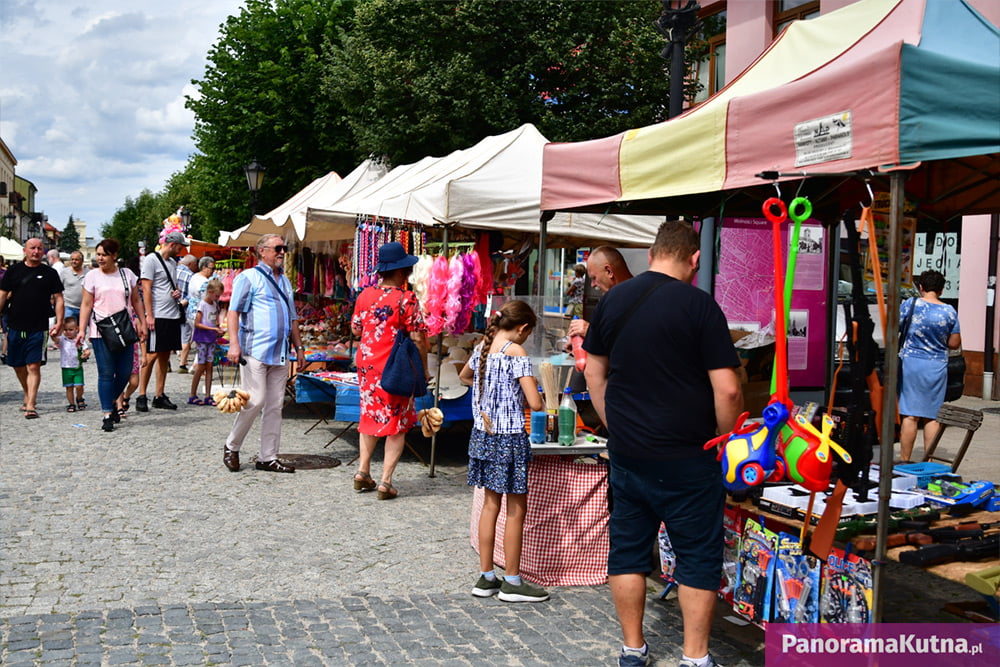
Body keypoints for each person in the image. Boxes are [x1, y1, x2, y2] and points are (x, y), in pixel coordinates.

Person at [583, 220, 743, 667]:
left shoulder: (613, 299)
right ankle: (695, 657)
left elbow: (594, 372)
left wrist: (615, 425)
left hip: (629, 455)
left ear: (652, 254)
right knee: (696, 556)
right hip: (689, 457)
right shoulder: (701, 307)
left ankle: (633, 649)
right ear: (695, 259)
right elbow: (728, 391)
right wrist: (727, 442)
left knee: (629, 552)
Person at [458, 300, 548, 603]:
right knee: (515, 511)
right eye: (528, 333)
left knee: (490, 507)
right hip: (509, 439)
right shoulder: (517, 353)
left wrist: (488, 402)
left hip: (483, 437)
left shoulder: (483, 346)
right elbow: (535, 404)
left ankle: (486, 577)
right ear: (522, 328)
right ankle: (512, 580)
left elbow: (464, 377)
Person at [350, 241, 428, 499]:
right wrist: (424, 370)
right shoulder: (406, 299)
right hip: (395, 366)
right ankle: (385, 481)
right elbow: (418, 337)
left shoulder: (364, 295)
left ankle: (362, 471)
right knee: (397, 421)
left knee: (369, 416)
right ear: (400, 271)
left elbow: (356, 329)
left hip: (367, 363)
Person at [223, 234, 305, 474]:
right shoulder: (248, 278)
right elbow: (233, 312)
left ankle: (267, 456)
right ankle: (232, 444)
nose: (282, 252)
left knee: (275, 405)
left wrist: (299, 348)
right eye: (277, 248)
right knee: (256, 400)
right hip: (255, 350)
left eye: (284, 248)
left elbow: (293, 318)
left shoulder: (286, 281)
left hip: (280, 352)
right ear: (262, 251)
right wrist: (234, 344)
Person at [76, 238, 147, 433]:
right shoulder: (92, 277)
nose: (100, 258)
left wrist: (142, 321)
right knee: (106, 373)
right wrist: (82, 329)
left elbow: (136, 300)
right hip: (101, 330)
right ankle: (108, 413)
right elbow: (86, 304)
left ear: (114, 256)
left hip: (124, 329)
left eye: (104, 254)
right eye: (98, 254)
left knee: (125, 372)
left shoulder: (127, 275)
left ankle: (114, 400)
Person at [898, 269, 962, 463]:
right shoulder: (949, 311)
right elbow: (954, 343)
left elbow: (894, 328)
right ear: (941, 290)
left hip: (911, 364)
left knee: (910, 415)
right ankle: (929, 464)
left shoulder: (910, 305)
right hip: (936, 366)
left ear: (921, 287)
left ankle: (905, 461)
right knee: (932, 417)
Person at [0, 237, 65, 419]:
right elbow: (3, 295)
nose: (36, 251)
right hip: (15, 325)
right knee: (18, 365)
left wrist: (59, 321)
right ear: (25, 250)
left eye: (39, 248)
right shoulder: (13, 271)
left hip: (39, 326)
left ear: (43, 251)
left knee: (33, 366)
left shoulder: (49, 273)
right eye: (32, 248)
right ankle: (27, 392)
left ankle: (30, 404)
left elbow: (59, 298)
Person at [136, 231, 189, 411]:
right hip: (158, 315)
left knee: (165, 355)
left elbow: (170, 285)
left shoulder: (173, 263)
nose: (181, 251)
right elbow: (146, 288)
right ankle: (141, 394)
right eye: (180, 247)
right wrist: (148, 315)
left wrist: (176, 292)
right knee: (151, 355)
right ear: (173, 244)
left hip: (172, 314)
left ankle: (159, 394)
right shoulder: (151, 259)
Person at [567, 246, 635, 340]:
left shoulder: (635, 299)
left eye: (594, 278)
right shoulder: (613, 299)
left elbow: (630, 340)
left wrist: (590, 331)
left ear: (609, 271)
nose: (593, 285)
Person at [188, 279, 225, 406]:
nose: (217, 298)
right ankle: (192, 394)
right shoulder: (202, 304)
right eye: (216, 295)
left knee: (209, 365)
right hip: (202, 338)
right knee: (201, 366)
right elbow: (197, 323)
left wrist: (218, 329)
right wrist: (213, 328)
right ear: (209, 292)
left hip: (211, 338)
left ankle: (208, 395)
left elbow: (214, 321)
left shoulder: (215, 304)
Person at [57, 315, 90, 412]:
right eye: (65, 330)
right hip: (66, 367)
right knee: (69, 387)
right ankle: (71, 404)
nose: (68, 332)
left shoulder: (79, 340)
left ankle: (79, 398)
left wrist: (86, 354)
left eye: (70, 330)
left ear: (76, 329)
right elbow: (55, 339)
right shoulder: (63, 340)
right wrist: (53, 333)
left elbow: (87, 350)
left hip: (77, 367)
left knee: (79, 386)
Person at [175, 253, 198, 373]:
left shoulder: (171, 271)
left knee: (170, 336)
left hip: (168, 310)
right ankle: (182, 364)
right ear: (190, 264)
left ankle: (166, 364)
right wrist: (183, 302)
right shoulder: (191, 276)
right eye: (195, 265)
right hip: (184, 311)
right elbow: (192, 294)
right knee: (185, 337)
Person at [60, 251, 88, 320]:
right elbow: (59, 289)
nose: (74, 261)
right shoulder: (64, 272)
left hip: (84, 307)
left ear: (82, 261)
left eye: (76, 259)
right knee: (69, 329)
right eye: (72, 259)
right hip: (68, 307)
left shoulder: (88, 273)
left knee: (83, 330)